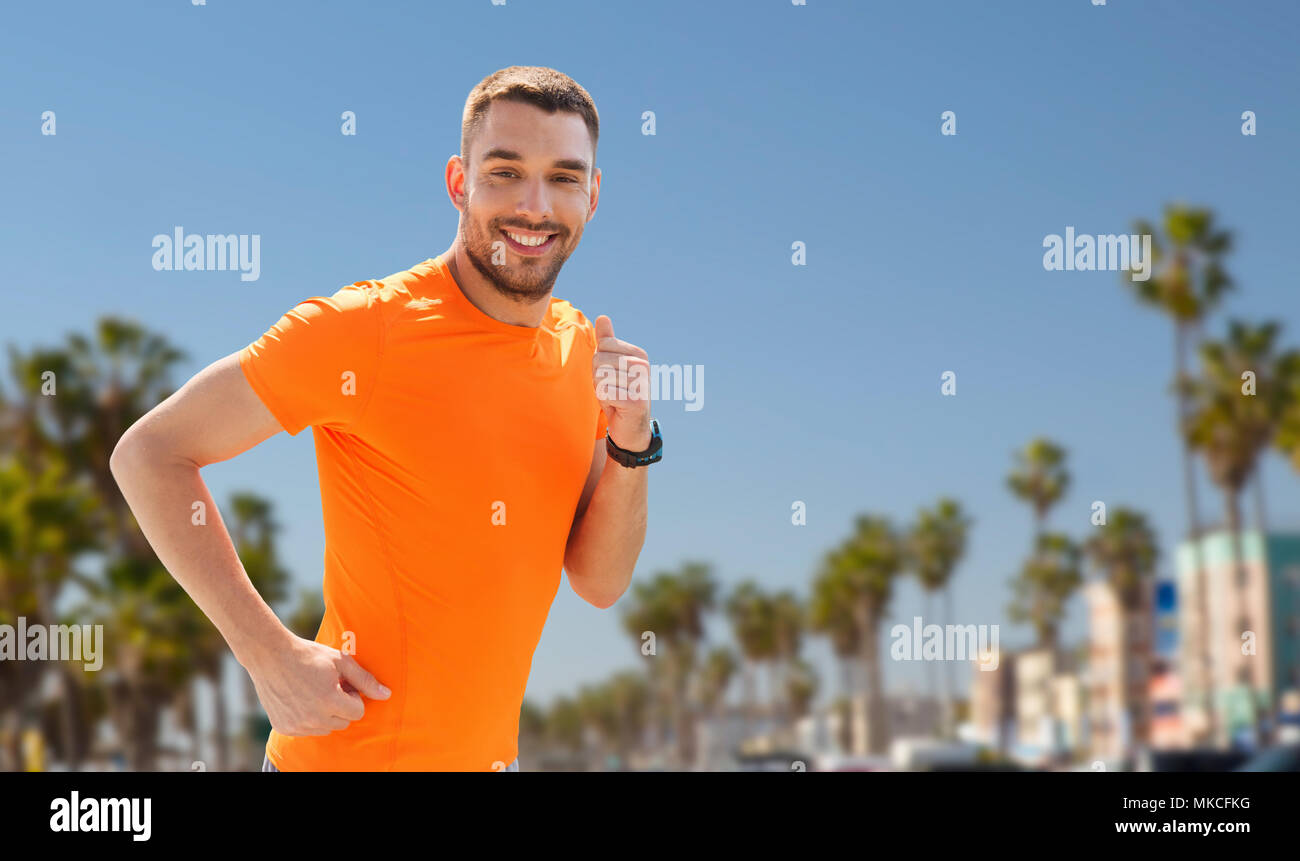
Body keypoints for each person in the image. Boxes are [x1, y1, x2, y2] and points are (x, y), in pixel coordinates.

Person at [111, 66, 662, 771]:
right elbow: (149, 453)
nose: (534, 206)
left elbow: (600, 580)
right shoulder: (364, 328)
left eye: (563, 176)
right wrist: (266, 652)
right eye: (504, 172)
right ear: (459, 182)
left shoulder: (583, 349)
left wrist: (632, 441)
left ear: (593, 194)